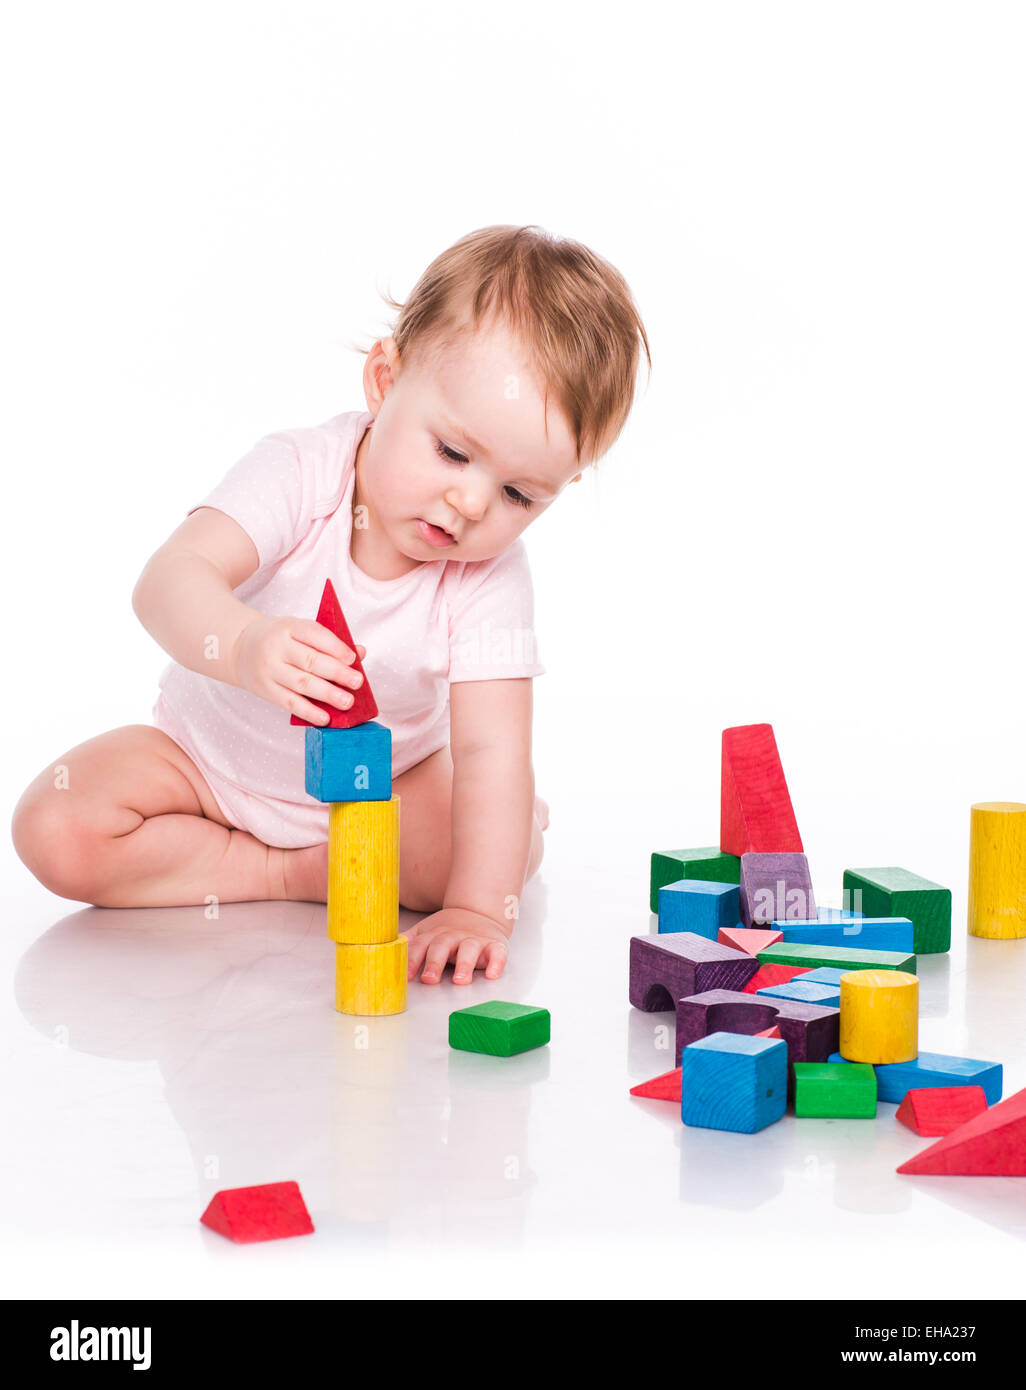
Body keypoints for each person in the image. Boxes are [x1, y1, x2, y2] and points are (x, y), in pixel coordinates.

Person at [12, 224, 650, 984]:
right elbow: (167, 582)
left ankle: (401, 853)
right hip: (204, 766)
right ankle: (289, 873)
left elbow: (491, 752)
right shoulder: (300, 472)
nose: (471, 503)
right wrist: (244, 645)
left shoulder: (492, 578)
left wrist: (479, 909)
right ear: (385, 381)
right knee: (56, 827)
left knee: (495, 846)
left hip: (386, 793)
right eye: (452, 452)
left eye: (519, 494)